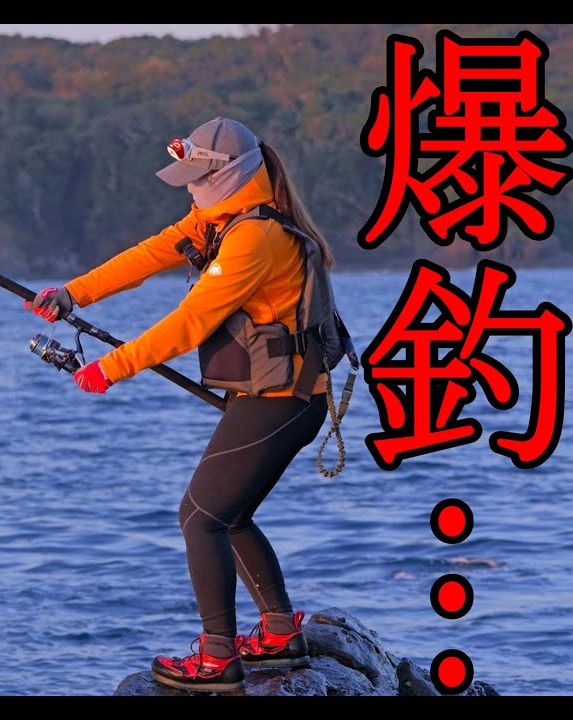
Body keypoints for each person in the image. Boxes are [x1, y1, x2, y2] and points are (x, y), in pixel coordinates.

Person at [26, 117, 339, 693]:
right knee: (227, 513)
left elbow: (192, 322)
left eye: (197, 178)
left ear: (231, 176)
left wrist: (111, 368)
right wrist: (73, 292)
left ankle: (218, 660)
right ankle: (278, 635)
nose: (190, 189)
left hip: (281, 402)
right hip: (277, 397)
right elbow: (149, 255)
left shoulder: (254, 238)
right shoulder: (219, 221)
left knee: (199, 517)